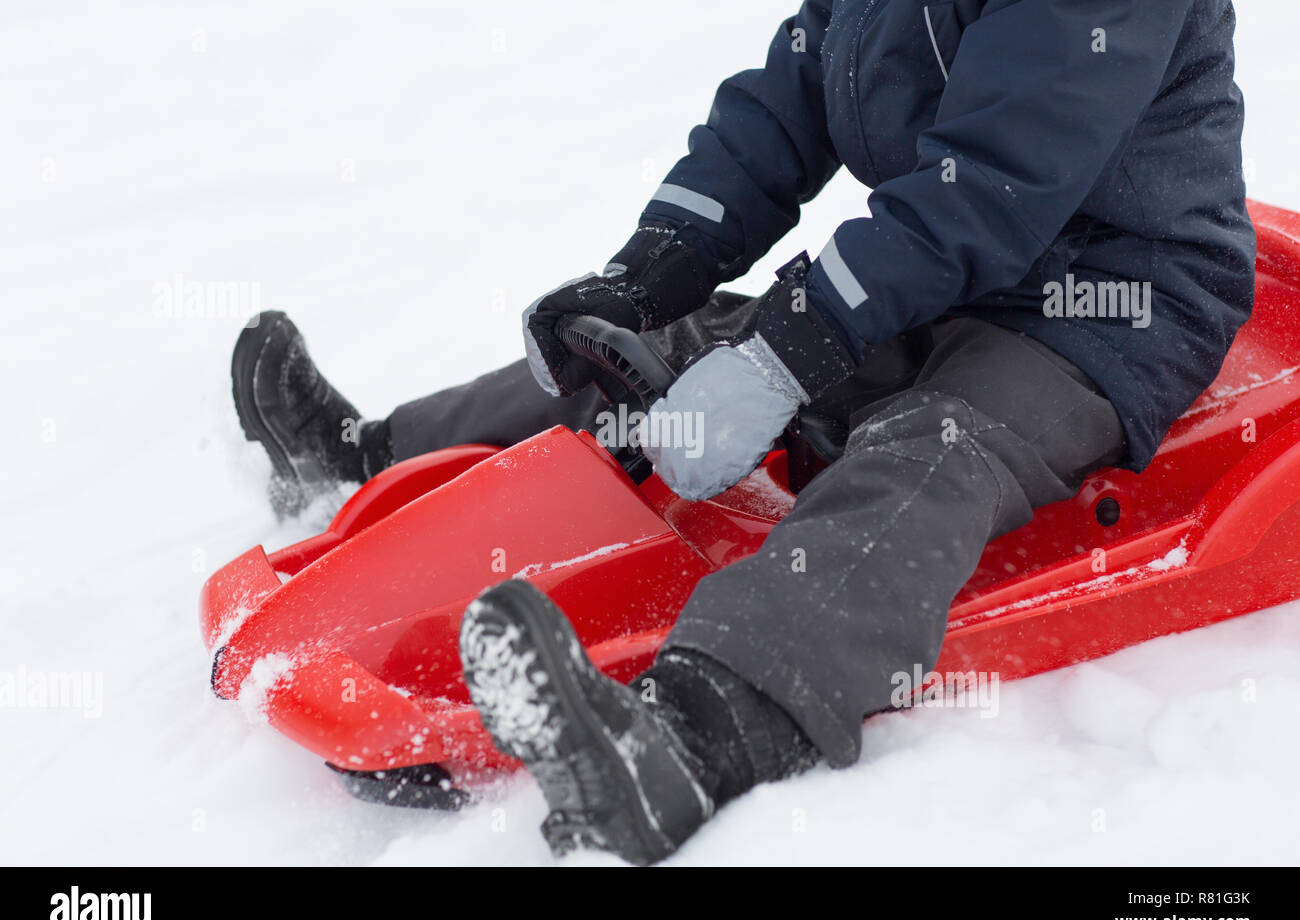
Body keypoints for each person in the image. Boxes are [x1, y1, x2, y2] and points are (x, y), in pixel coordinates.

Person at [232, 0, 1254, 864]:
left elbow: (988, 185)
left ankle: (693, 732)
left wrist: (786, 358)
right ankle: (370, 456)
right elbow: (787, 106)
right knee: (685, 343)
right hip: (959, 271)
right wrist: (648, 274)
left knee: (933, 449)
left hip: (1116, 301)